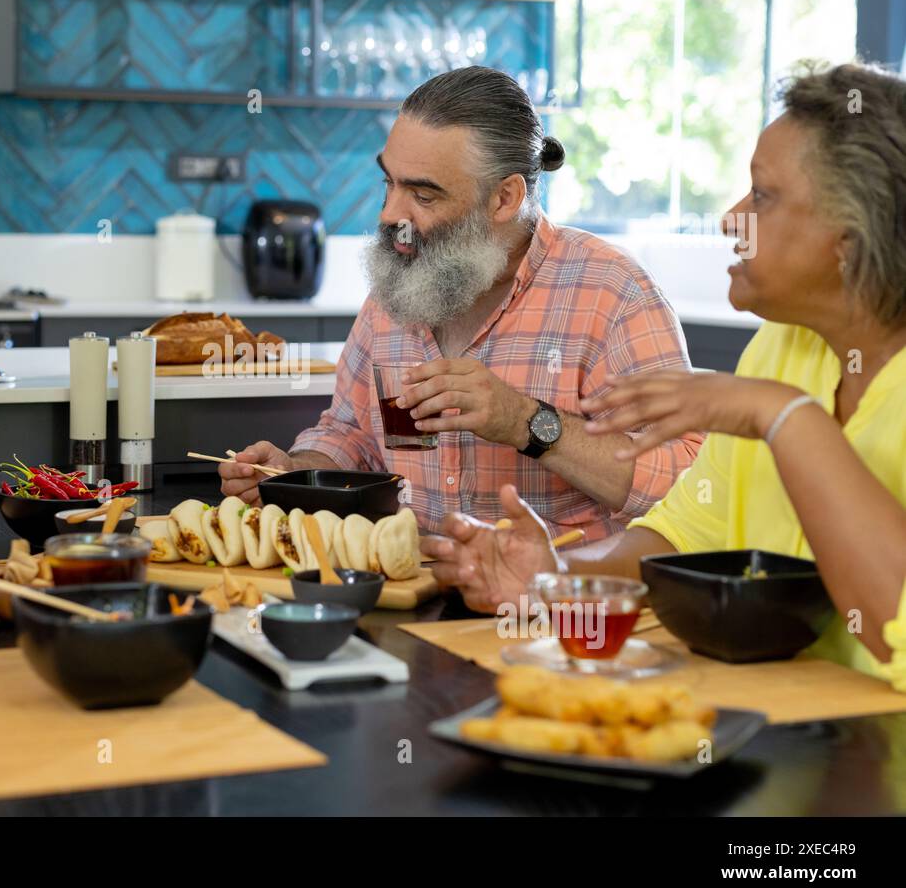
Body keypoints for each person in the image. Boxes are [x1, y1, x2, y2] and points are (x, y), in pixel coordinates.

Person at [425, 62, 906, 686]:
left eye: (762, 197)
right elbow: (682, 537)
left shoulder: (776, 387)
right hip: (788, 713)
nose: (731, 218)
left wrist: (784, 416)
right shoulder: (785, 348)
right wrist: (556, 578)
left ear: (851, 237)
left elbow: (892, 628)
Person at [221, 67, 701, 539]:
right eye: (389, 184)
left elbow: (687, 485)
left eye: (423, 195)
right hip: (416, 579)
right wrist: (294, 471)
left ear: (504, 197)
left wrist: (524, 422)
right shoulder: (400, 281)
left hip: (555, 589)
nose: (390, 215)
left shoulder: (612, 292)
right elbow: (352, 435)